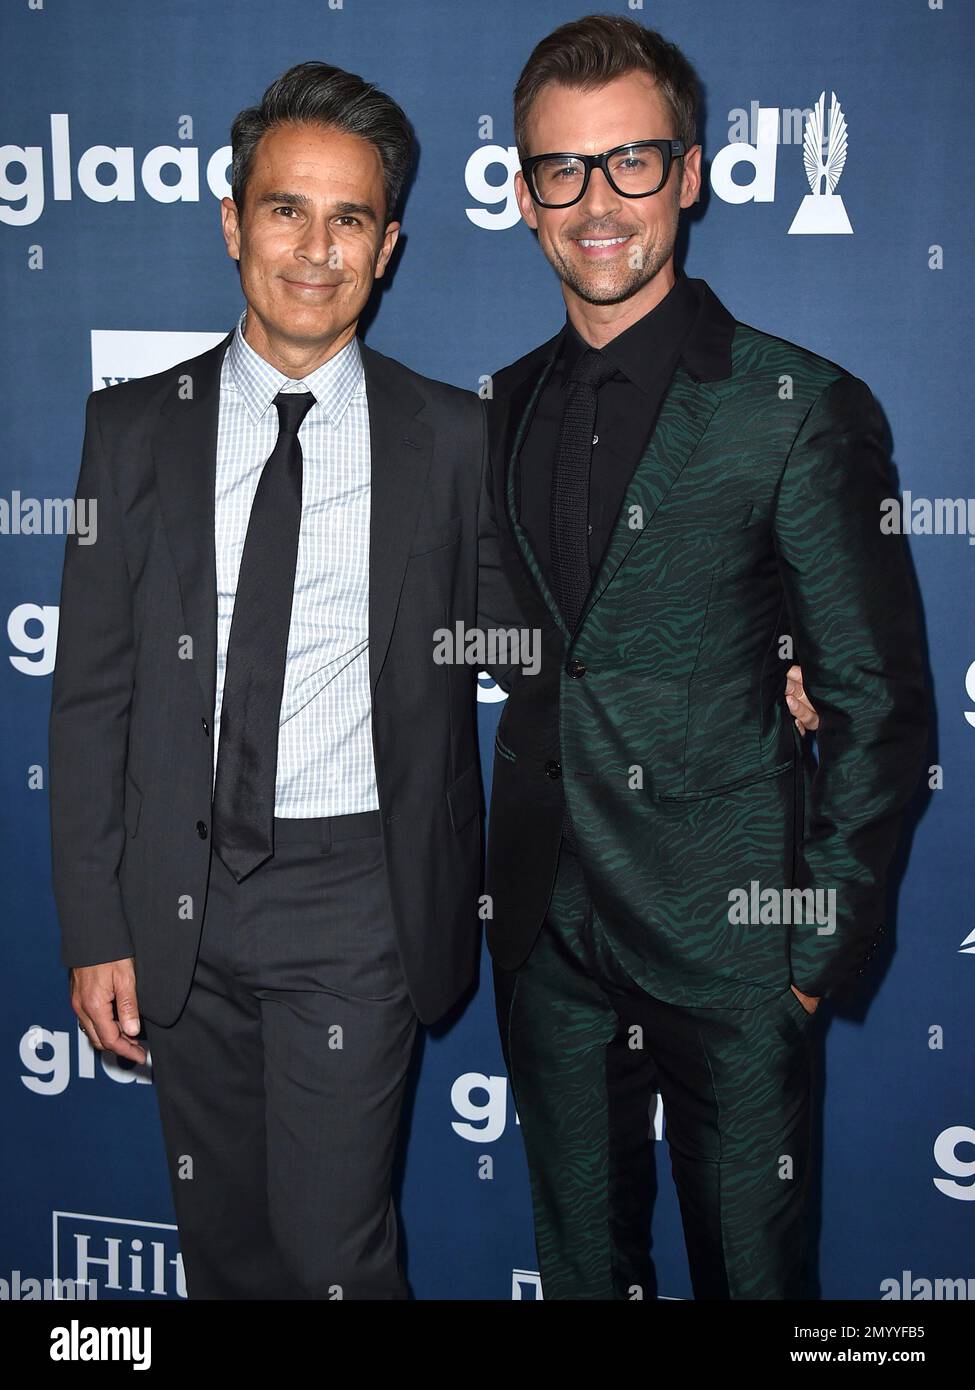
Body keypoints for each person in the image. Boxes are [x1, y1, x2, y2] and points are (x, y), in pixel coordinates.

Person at [479, 15, 928, 1300]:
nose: (597, 202)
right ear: (524, 195)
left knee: (756, 1284)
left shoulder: (798, 407)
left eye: (632, 162)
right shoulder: (496, 409)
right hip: (550, 946)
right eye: (562, 170)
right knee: (581, 1273)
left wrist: (804, 963)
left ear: (691, 173)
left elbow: (880, 709)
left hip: (737, 953)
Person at [48, 61, 490, 1300]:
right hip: (176, 894)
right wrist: (97, 924)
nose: (314, 247)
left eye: (349, 218)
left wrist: (763, 644)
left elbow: (561, 618)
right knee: (227, 1250)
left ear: (389, 246)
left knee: (334, 1256)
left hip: (359, 901)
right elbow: (89, 696)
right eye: (286, 209)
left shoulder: (453, 438)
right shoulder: (132, 428)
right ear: (233, 220)